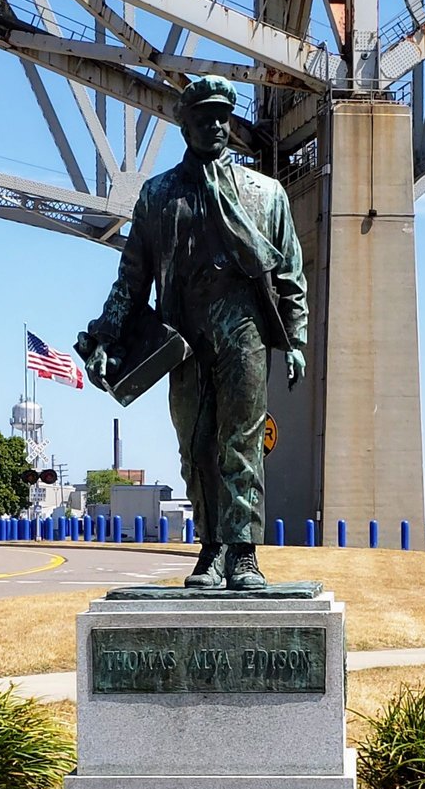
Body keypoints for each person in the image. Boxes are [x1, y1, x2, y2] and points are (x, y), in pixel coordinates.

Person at [80, 76, 308, 590]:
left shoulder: (265, 194)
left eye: (224, 116)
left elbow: (291, 274)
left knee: (242, 442)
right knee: (195, 444)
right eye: (204, 117)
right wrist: (104, 336)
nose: (216, 126)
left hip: (244, 332)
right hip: (182, 339)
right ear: (185, 125)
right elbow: (132, 277)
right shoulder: (159, 195)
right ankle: (211, 548)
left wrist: (295, 340)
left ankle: (244, 554)